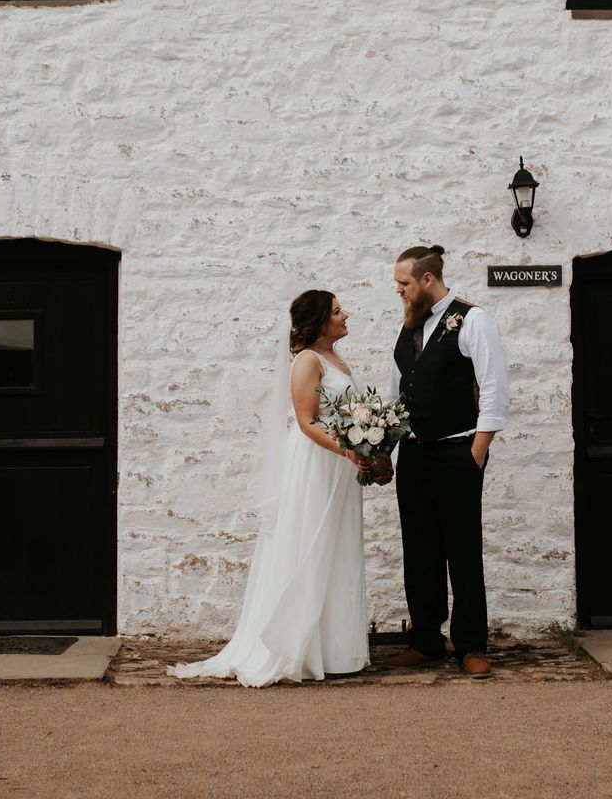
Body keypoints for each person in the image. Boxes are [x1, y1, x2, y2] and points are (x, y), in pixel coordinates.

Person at [168, 290, 372, 686]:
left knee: (337, 546)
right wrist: (349, 451)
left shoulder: (336, 359)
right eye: (336, 311)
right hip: (316, 463)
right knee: (309, 543)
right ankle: (295, 647)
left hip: (339, 465)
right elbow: (306, 421)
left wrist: (367, 448)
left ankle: (333, 648)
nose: (345, 315)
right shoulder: (307, 361)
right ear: (318, 321)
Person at [383, 245, 509, 679]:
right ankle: (426, 641)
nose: (398, 290)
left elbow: (494, 389)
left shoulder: (473, 319)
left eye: (404, 283)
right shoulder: (407, 327)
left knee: (463, 550)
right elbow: (398, 395)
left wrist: (476, 452)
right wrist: (385, 446)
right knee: (419, 549)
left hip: (458, 451)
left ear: (427, 281)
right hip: (414, 454)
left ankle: (471, 644)